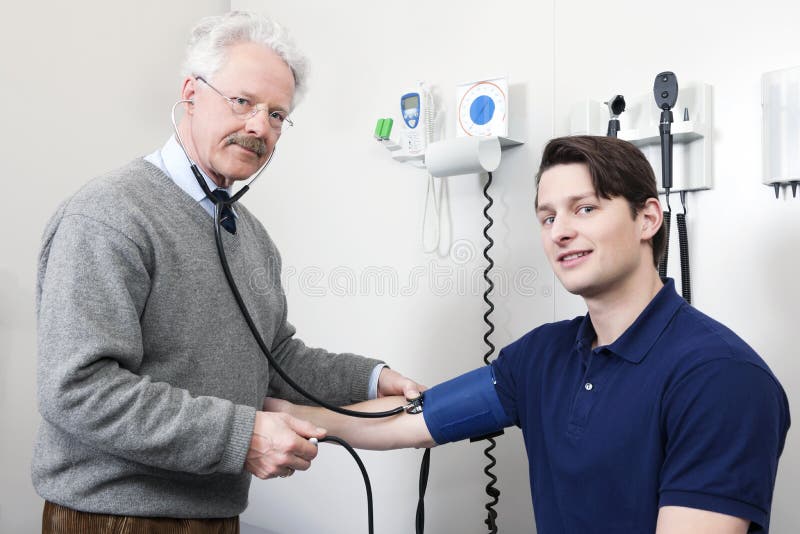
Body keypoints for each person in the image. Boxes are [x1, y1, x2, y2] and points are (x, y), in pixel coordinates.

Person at [267, 136, 791, 533]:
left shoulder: (721, 378)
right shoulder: (543, 357)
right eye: (546, 216)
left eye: (585, 208)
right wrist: (281, 415)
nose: (560, 231)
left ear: (647, 218)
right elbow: (407, 422)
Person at [33, 11, 422, 533]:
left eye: (277, 115)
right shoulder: (109, 215)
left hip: (217, 515)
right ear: (191, 92)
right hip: (114, 518)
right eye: (243, 102)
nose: (260, 126)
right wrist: (241, 437)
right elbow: (79, 389)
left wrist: (371, 379)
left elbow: (275, 356)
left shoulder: (252, 238)